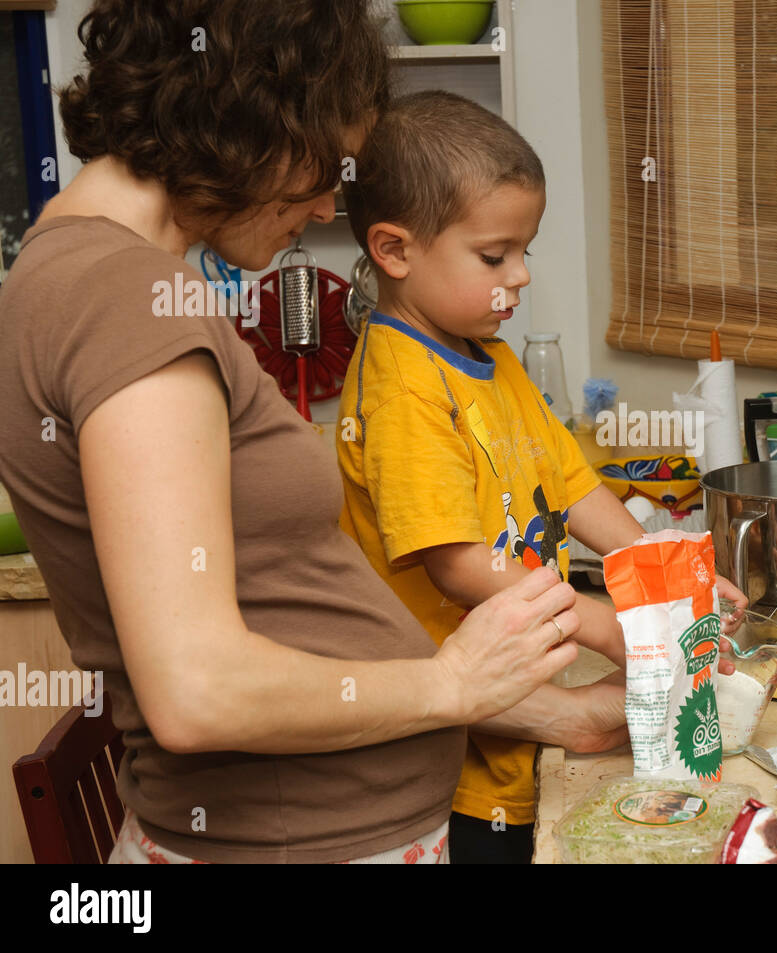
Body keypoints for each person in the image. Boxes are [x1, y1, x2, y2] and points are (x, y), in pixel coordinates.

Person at [0, 0, 620, 865]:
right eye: (328, 165)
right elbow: (198, 691)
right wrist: (451, 681)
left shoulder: (66, 266)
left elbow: (282, 611)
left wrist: (547, 710)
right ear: (254, 114)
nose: (333, 200)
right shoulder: (125, 301)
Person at [337, 91, 748, 863]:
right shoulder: (401, 386)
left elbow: (572, 484)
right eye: (495, 256)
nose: (520, 275)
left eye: (525, 249)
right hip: (451, 759)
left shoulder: (488, 360)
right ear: (394, 251)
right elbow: (456, 564)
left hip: (522, 681)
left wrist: (661, 587)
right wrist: (608, 626)